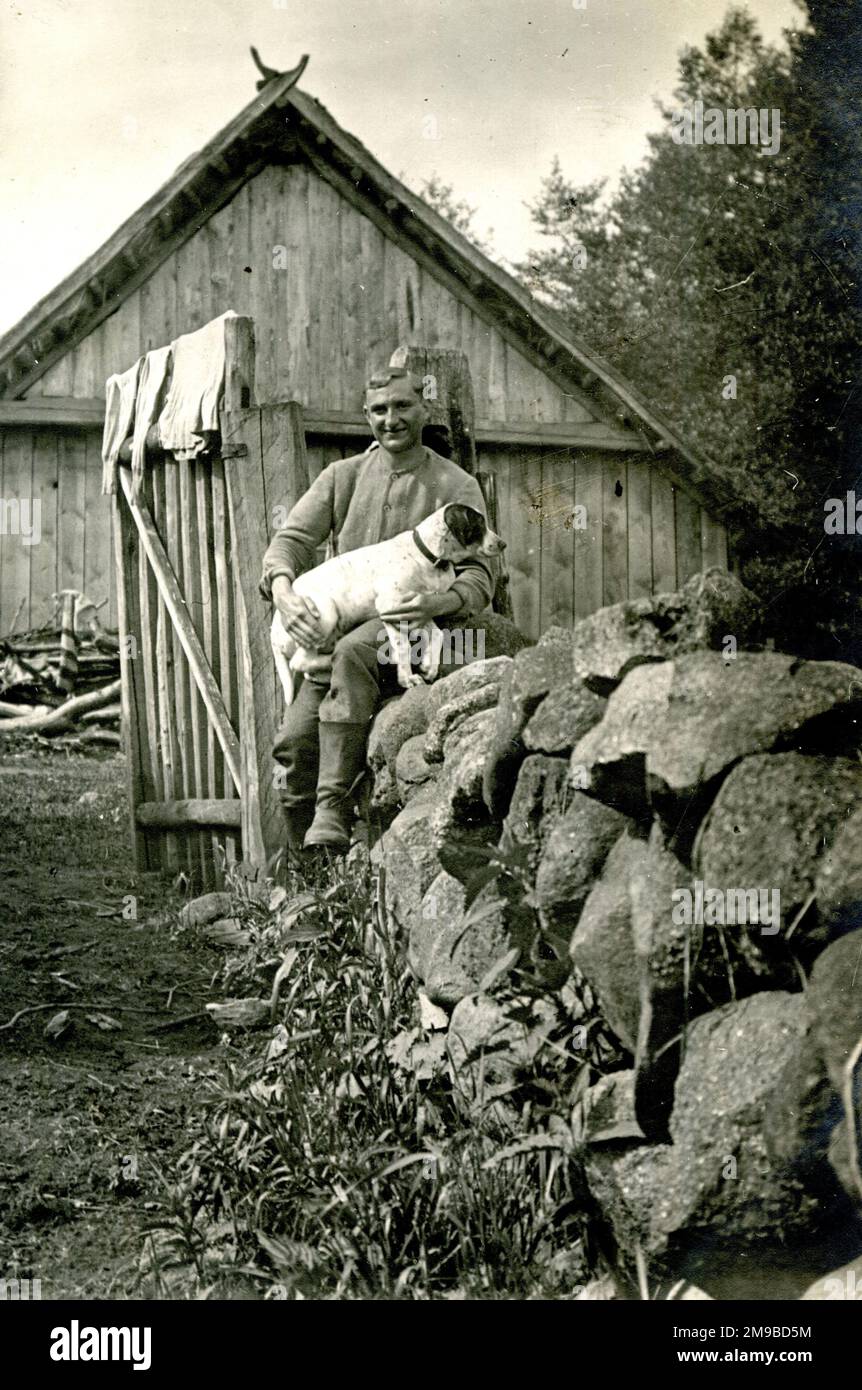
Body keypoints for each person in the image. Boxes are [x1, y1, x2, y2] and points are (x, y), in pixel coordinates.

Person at [259, 367, 494, 854]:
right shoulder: (342, 477)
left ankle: (331, 813)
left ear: (424, 410)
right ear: (367, 416)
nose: (392, 419)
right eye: (380, 410)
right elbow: (292, 540)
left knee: (355, 651)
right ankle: (312, 884)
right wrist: (283, 589)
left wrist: (439, 601)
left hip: (414, 633)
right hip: (337, 641)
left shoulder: (456, 485)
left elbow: (481, 574)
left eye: (403, 406)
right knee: (293, 743)